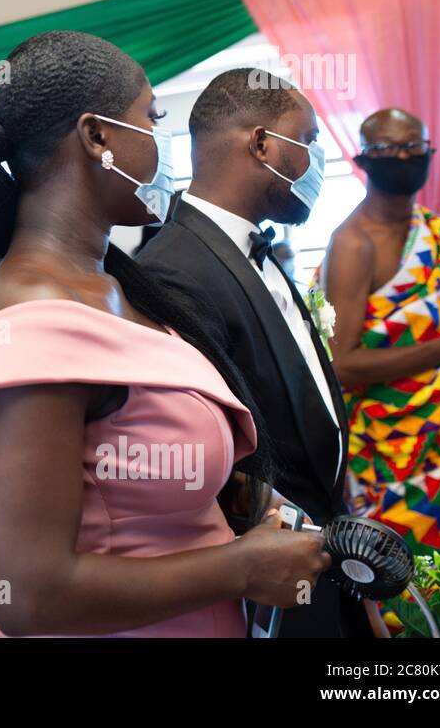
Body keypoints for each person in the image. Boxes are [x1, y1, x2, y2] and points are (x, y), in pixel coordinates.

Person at [0, 31, 328, 637]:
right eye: (152, 118)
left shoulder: (117, 284)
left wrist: (260, 508)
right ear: (97, 136)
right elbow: (24, 592)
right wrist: (238, 569)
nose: (164, 142)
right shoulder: (32, 319)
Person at [136, 68, 362, 637]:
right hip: (268, 576)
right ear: (262, 144)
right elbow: (213, 453)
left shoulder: (253, 247)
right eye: (307, 142)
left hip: (324, 551)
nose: (313, 163)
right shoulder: (172, 269)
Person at [320, 107, 440, 632]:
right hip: (394, 455)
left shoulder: (435, 232)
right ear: (362, 160)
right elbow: (343, 365)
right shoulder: (353, 243)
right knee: (415, 590)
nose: (403, 158)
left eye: (413, 148)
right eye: (388, 150)